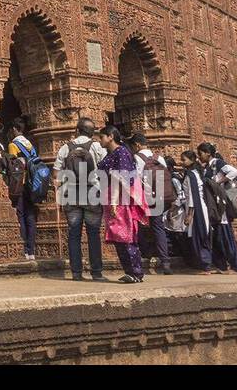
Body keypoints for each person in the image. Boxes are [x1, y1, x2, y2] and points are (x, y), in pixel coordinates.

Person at [53, 117, 106, 281]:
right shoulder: (97, 147)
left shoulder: (65, 148)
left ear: (77, 130)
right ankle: (96, 272)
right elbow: (106, 171)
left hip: (72, 194)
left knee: (74, 234)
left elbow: (56, 174)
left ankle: (77, 273)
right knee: (93, 234)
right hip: (92, 194)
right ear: (92, 132)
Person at [98, 126, 147, 283]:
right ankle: (131, 272)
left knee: (125, 235)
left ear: (110, 136)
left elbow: (122, 179)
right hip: (112, 197)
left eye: (102, 137)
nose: (100, 140)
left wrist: (114, 201)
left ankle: (135, 272)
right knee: (118, 236)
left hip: (120, 199)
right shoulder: (113, 154)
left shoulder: (121, 153)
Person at [0, 117, 45, 262]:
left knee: (21, 214)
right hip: (33, 183)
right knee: (30, 216)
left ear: (13, 129)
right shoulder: (30, 144)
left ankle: (24, 248)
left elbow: (14, 166)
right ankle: (32, 250)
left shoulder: (13, 145)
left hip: (21, 184)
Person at [129, 133, 172, 274]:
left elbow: (136, 178)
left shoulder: (137, 158)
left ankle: (145, 252)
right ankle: (165, 261)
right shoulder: (159, 157)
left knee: (138, 223)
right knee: (158, 227)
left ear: (137, 145)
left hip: (146, 196)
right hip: (162, 196)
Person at [197, 142, 237, 273]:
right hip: (213, 205)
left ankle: (235, 266)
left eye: (201, 154)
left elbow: (234, 172)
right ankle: (222, 265)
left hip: (220, 204)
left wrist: (217, 182)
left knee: (226, 236)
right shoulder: (207, 167)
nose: (199, 157)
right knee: (217, 237)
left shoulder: (218, 163)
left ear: (208, 153)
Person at [177, 150, 214, 273]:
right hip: (199, 207)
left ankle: (205, 264)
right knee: (200, 235)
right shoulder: (196, 173)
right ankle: (203, 263)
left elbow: (192, 195)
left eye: (184, 160)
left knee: (199, 235)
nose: (182, 162)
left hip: (196, 209)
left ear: (191, 160)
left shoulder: (190, 175)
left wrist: (190, 214)